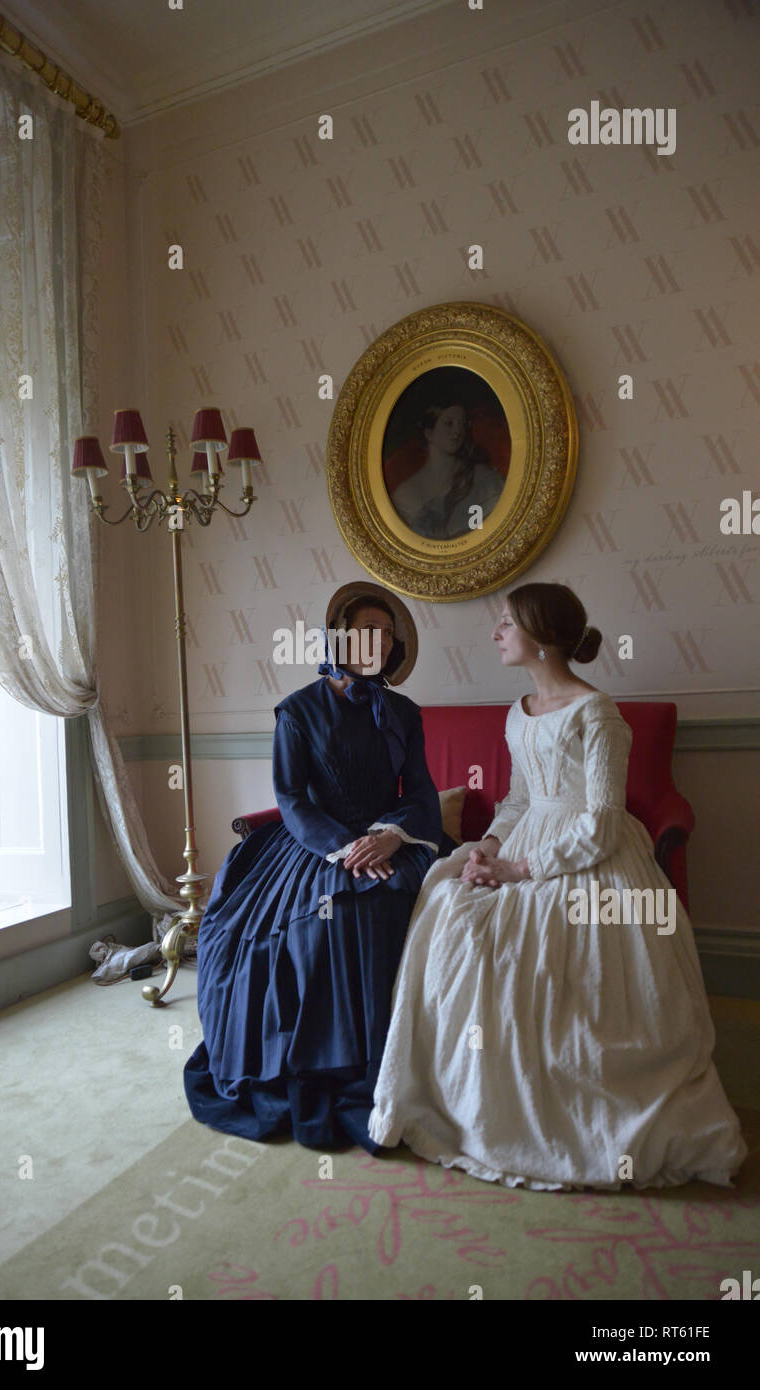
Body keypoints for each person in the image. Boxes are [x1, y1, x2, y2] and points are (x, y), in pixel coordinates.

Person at [369, 582, 747, 1191]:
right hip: (522, 840)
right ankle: (461, 1097)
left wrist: (520, 871)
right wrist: (489, 849)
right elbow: (520, 798)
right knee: (448, 904)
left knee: (538, 944)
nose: (495, 632)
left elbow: (600, 823)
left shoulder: (599, 714)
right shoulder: (519, 711)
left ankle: (577, 1104)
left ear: (541, 636)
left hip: (587, 854)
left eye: (506, 623)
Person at [183, 582, 442, 1152]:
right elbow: (291, 796)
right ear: (338, 639)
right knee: (333, 914)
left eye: (384, 634)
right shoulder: (297, 710)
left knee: (401, 900)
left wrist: (389, 837)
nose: (372, 642)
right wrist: (345, 847)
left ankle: (408, 1064)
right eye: (361, 632)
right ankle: (331, 1064)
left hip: (390, 841)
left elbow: (422, 793)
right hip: (314, 844)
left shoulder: (403, 712)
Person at [386, 401, 504, 540]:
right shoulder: (404, 494)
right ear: (429, 433)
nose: (458, 431)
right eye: (449, 423)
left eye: (463, 424)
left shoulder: (483, 478)